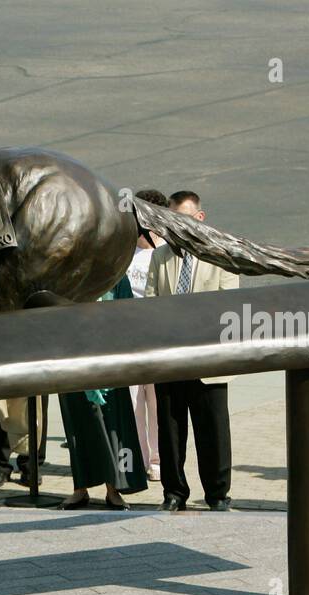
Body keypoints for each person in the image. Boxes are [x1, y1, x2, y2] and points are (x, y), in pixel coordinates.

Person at [145, 191, 239, 511]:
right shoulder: (161, 257)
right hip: (171, 360)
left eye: (183, 218)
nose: (177, 225)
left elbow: (228, 309)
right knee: (170, 434)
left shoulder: (219, 254)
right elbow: (150, 305)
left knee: (213, 433)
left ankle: (217, 494)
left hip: (207, 360)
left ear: (200, 217)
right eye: (172, 219)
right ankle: (174, 493)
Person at [58, 279, 147, 509]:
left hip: (109, 358)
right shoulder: (68, 272)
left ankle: (113, 488)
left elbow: (128, 315)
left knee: (113, 426)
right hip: (73, 358)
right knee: (78, 427)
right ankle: (80, 488)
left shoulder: (116, 274)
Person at [126, 188, 170, 483]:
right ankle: (136, 459)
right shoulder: (123, 252)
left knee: (157, 404)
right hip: (127, 340)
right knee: (132, 404)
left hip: (157, 338)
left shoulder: (167, 250)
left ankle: (158, 459)